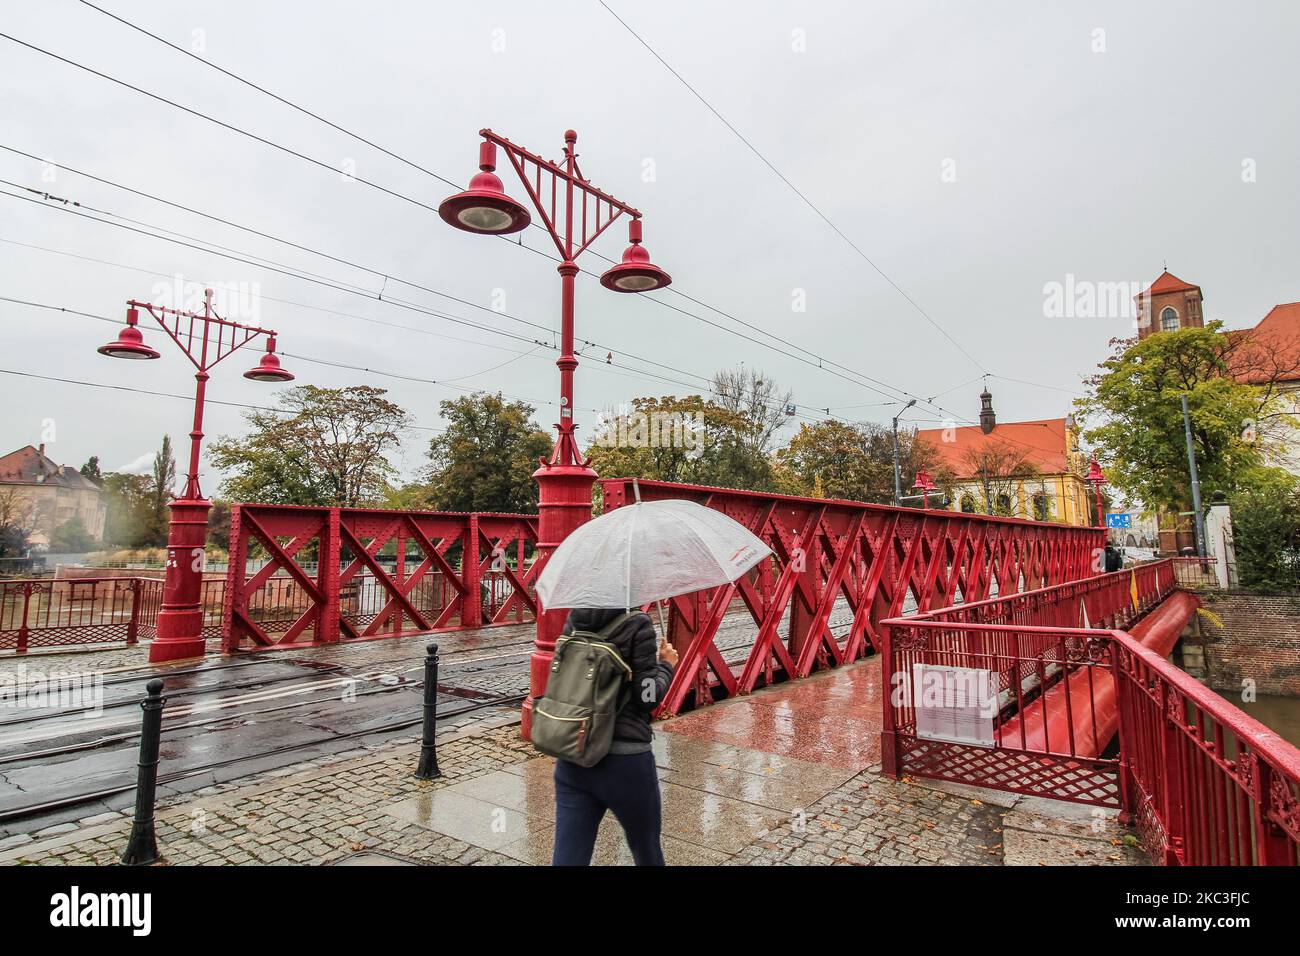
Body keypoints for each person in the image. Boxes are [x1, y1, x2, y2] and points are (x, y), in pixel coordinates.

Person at [551, 607, 678, 867]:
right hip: (625, 762)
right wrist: (666, 665)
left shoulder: (575, 619)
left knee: (569, 857)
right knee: (646, 849)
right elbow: (647, 699)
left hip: (575, 752)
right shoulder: (637, 623)